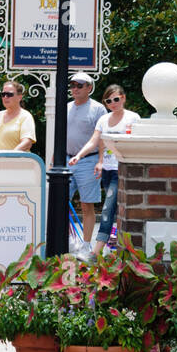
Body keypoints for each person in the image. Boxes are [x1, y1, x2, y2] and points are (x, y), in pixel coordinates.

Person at [70, 84, 141, 257]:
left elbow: (137, 143)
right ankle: (116, 247)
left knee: (108, 208)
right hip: (108, 170)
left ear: (123, 98)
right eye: (109, 101)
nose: (113, 103)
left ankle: (95, 252)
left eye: (116, 99)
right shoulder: (104, 119)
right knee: (116, 209)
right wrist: (80, 156)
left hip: (122, 170)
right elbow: (95, 141)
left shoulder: (133, 118)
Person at [64, 72, 106, 246]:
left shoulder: (98, 109)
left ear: (89, 88)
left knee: (87, 205)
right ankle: (69, 240)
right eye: (73, 85)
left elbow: (101, 137)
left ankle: (86, 245)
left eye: (80, 85)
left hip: (89, 161)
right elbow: (60, 135)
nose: (75, 89)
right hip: (65, 160)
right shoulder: (65, 107)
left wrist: (101, 161)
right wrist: (54, 159)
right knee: (59, 203)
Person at [0, 79, 35, 151]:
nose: (5, 97)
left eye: (9, 94)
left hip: (16, 161)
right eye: (3, 94)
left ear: (20, 97)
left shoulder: (25, 116)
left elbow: (27, 143)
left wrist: (10, 156)